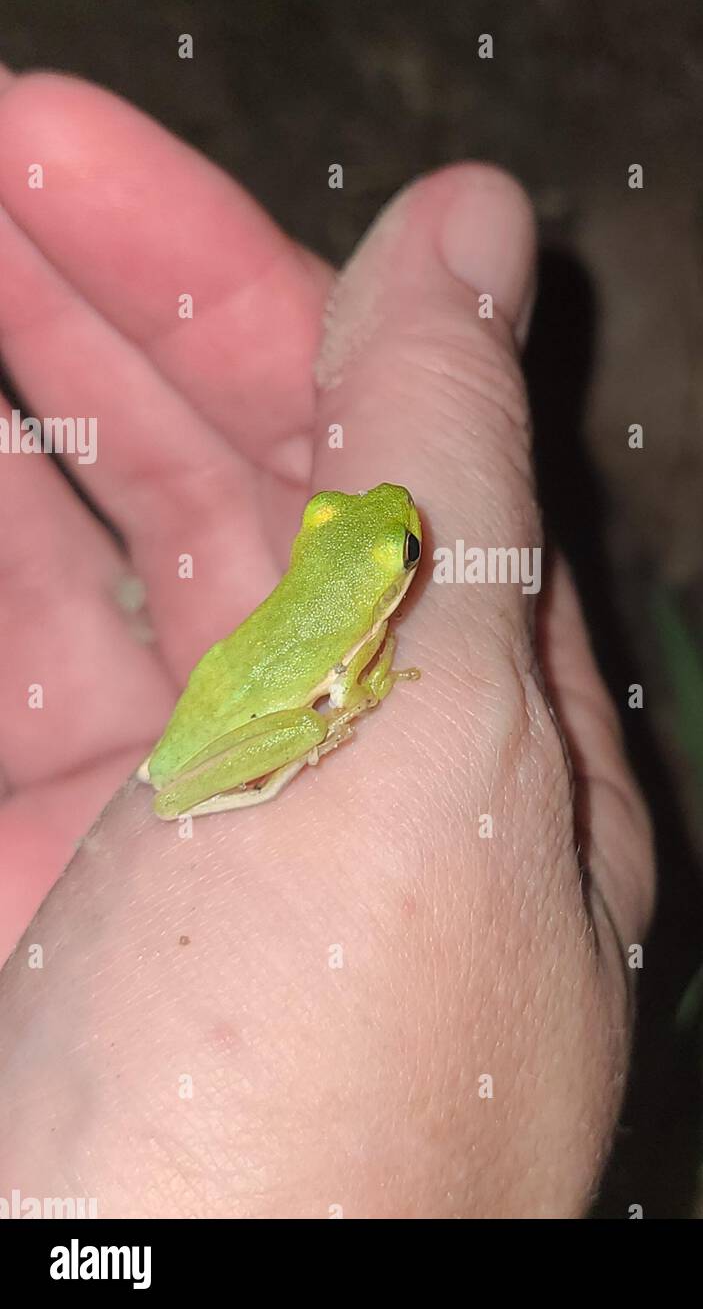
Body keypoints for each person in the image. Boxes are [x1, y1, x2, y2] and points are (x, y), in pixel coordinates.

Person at [0, 68, 654, 1216]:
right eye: (390, 555)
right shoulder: (359, 623)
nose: (405, 544)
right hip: (226, 729)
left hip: (211, 699)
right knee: (309, 707)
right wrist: (340, 704)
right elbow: (341, 681)